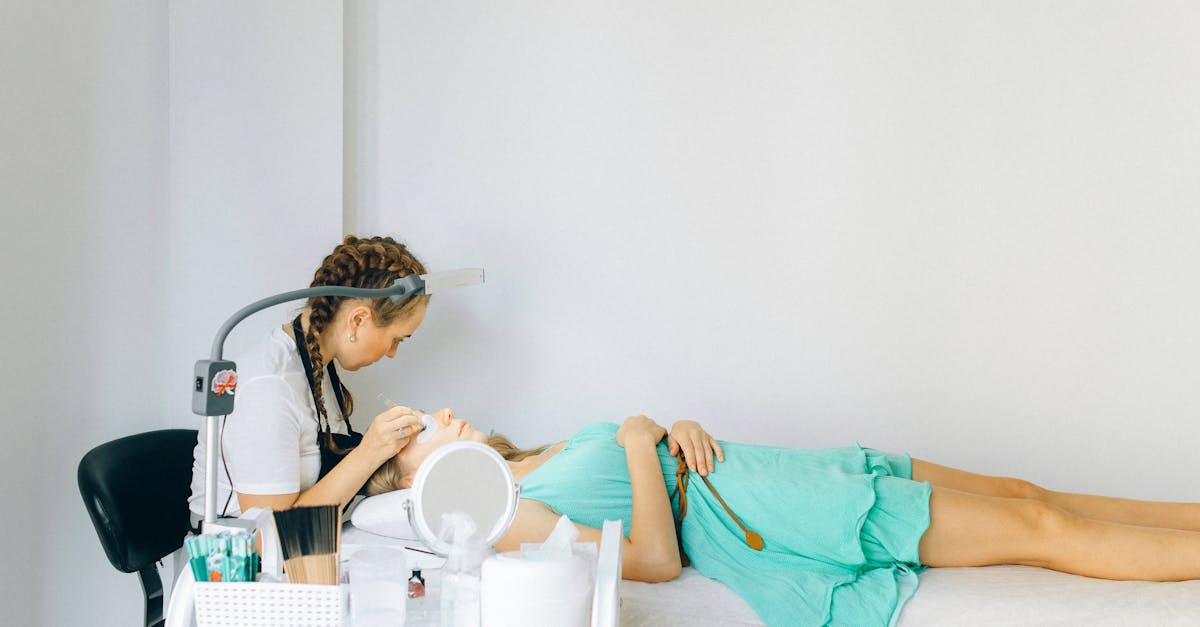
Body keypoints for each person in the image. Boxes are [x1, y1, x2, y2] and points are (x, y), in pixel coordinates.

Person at [367, 410, 1200, 626]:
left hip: (760, 469)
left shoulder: (525, 461)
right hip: (778, 511)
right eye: (419, 429)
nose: (441, 411)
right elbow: (653, 557)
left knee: (1026, 494)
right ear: (420, 481)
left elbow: (649, 463)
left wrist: (670, 427)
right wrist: (634, 435)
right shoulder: (508, 513)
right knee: (1040, 535)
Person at [188, 235, 429, 520]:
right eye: (396, 339)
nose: (392, 353)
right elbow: (269, 534)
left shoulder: (318, 365)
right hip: (243, 557)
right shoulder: (269, 389)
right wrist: (370, 452)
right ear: (358, 320)